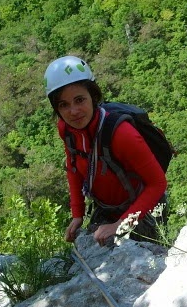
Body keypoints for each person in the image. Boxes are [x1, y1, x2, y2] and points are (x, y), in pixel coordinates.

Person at [45, 56, 168, 246]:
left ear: (93, 97)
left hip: (142, 208)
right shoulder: (67, 130)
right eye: (63, 104)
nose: (73, 111)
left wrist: (122, 224)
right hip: (107, 208)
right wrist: (77, 214)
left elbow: (157, 184)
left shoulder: (121, 134)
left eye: (79, 100)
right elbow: (73, 167)